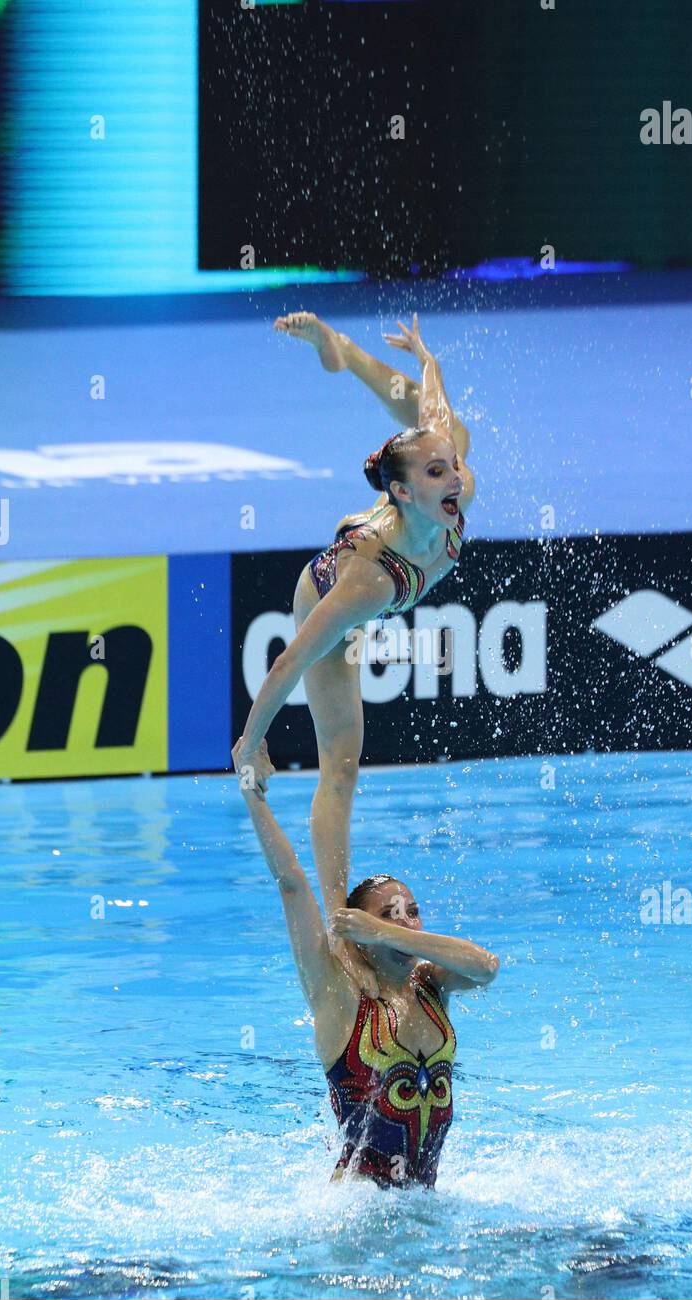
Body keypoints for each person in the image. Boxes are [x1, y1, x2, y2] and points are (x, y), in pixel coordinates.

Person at [235, 311, 476, 996]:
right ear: (401, 492)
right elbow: (288, 662)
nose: (454, 478)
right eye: (436, 473)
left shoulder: (455, 489)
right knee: (341, 760)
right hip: (326, 605)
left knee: (436, 419)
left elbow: (430, 404)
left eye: (451, 468)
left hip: (391, 567)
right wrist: (250, 743)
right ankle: (342, 925)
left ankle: (339, 354)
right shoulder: (366, 580)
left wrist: (426, 355)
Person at [233, 736, 499, 1189]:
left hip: (422, 1207)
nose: (407, 923)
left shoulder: (431, 985)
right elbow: (292, 883)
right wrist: (251, 791)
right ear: (359, 933)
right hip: (356, 1217)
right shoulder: (340, 997)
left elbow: (486, 966)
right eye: (389, 915)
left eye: (412, 911)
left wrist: (385, 931)